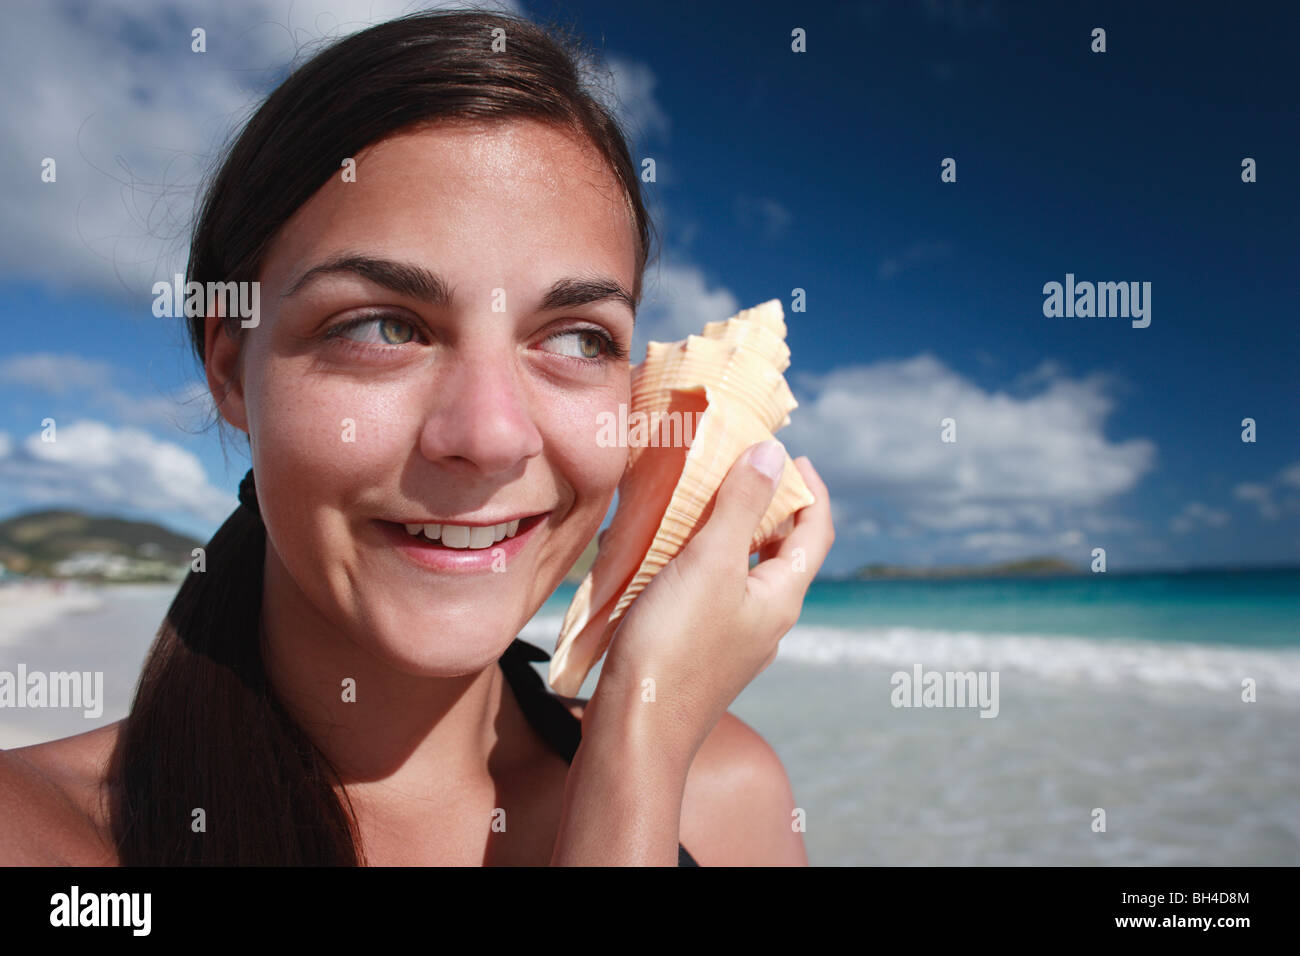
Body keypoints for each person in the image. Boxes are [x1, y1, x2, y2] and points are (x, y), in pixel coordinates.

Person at [0, 8, 833, 866]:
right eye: (382, 329)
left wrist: (639, 730)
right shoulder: (36, 836)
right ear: (227, 365)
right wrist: (634, 771)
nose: (491, 436)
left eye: (579, 338)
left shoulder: (729, 796)